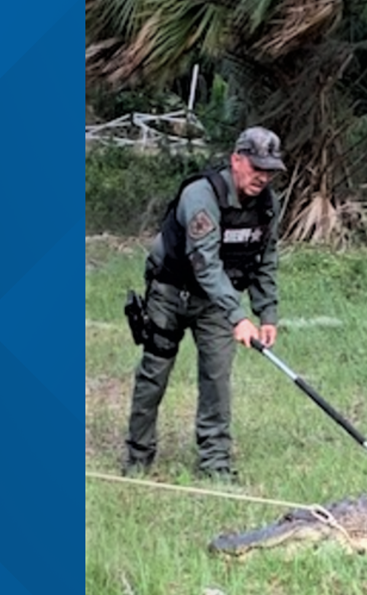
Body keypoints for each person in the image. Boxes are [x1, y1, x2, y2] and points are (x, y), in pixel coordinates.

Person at [123, 126, 286, 481]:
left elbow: (265, 259)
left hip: (216, 303)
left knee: (217, 377)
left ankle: (215, 466)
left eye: (270, 170)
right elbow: (204, 262)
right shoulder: (201, 195)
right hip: (170, 292)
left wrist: (267, 313)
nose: (263, 177)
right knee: (154, 372)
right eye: (256, 167)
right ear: (236, 159)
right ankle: (138, 456)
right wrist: (239, 316)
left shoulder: (268, 206)